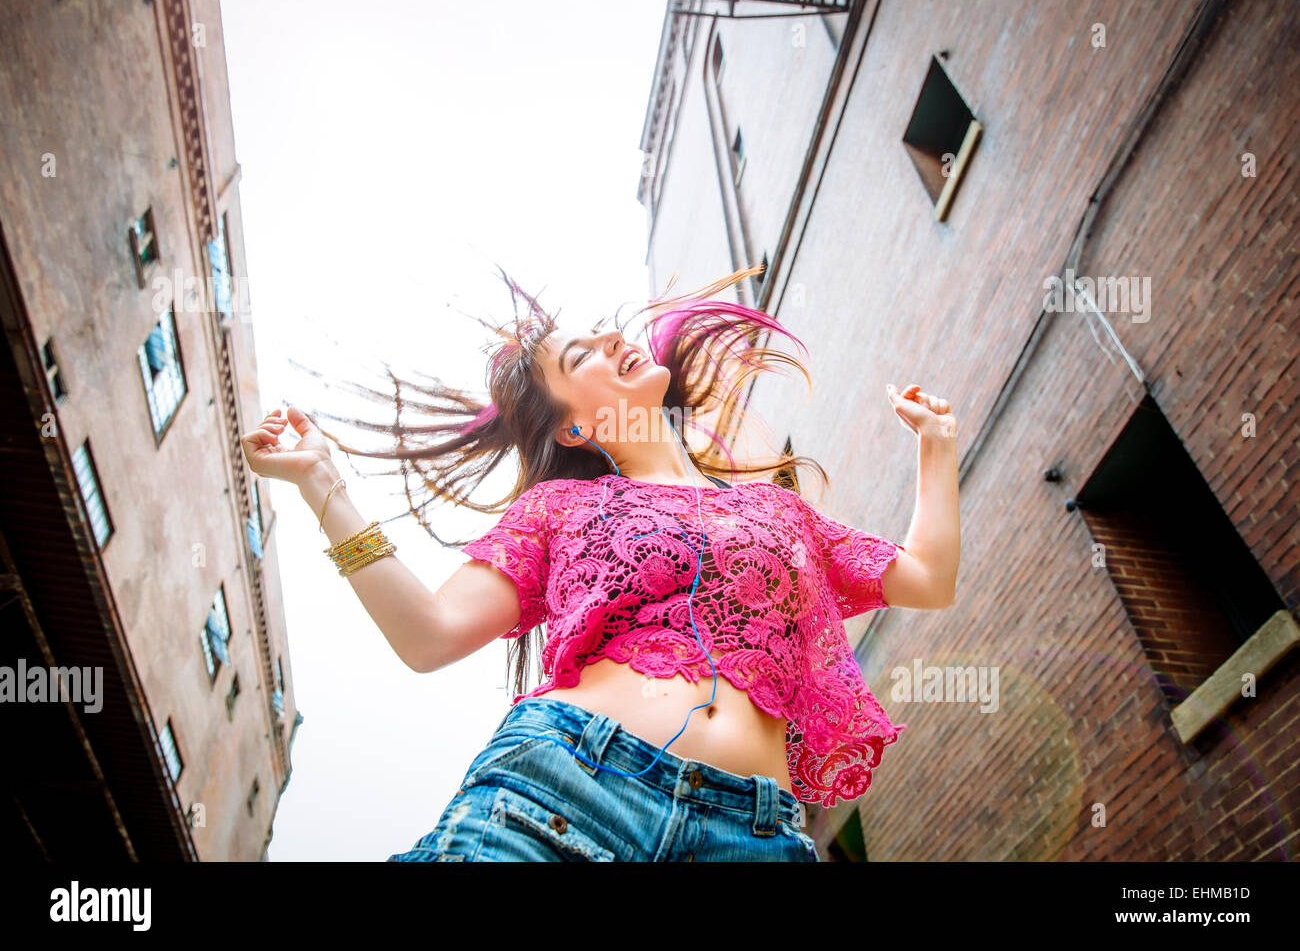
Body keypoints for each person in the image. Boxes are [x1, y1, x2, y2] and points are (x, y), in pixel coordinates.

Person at [240, 263, 960, 861]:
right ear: (575, 426)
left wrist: (938, 443)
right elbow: (427, 635)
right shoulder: (557, 510)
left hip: (753, 836)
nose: (615, 337)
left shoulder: (780, 513)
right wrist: (320, 484)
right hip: (564, 791)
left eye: (605, 333)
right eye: (579, 354)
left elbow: (927, 578)